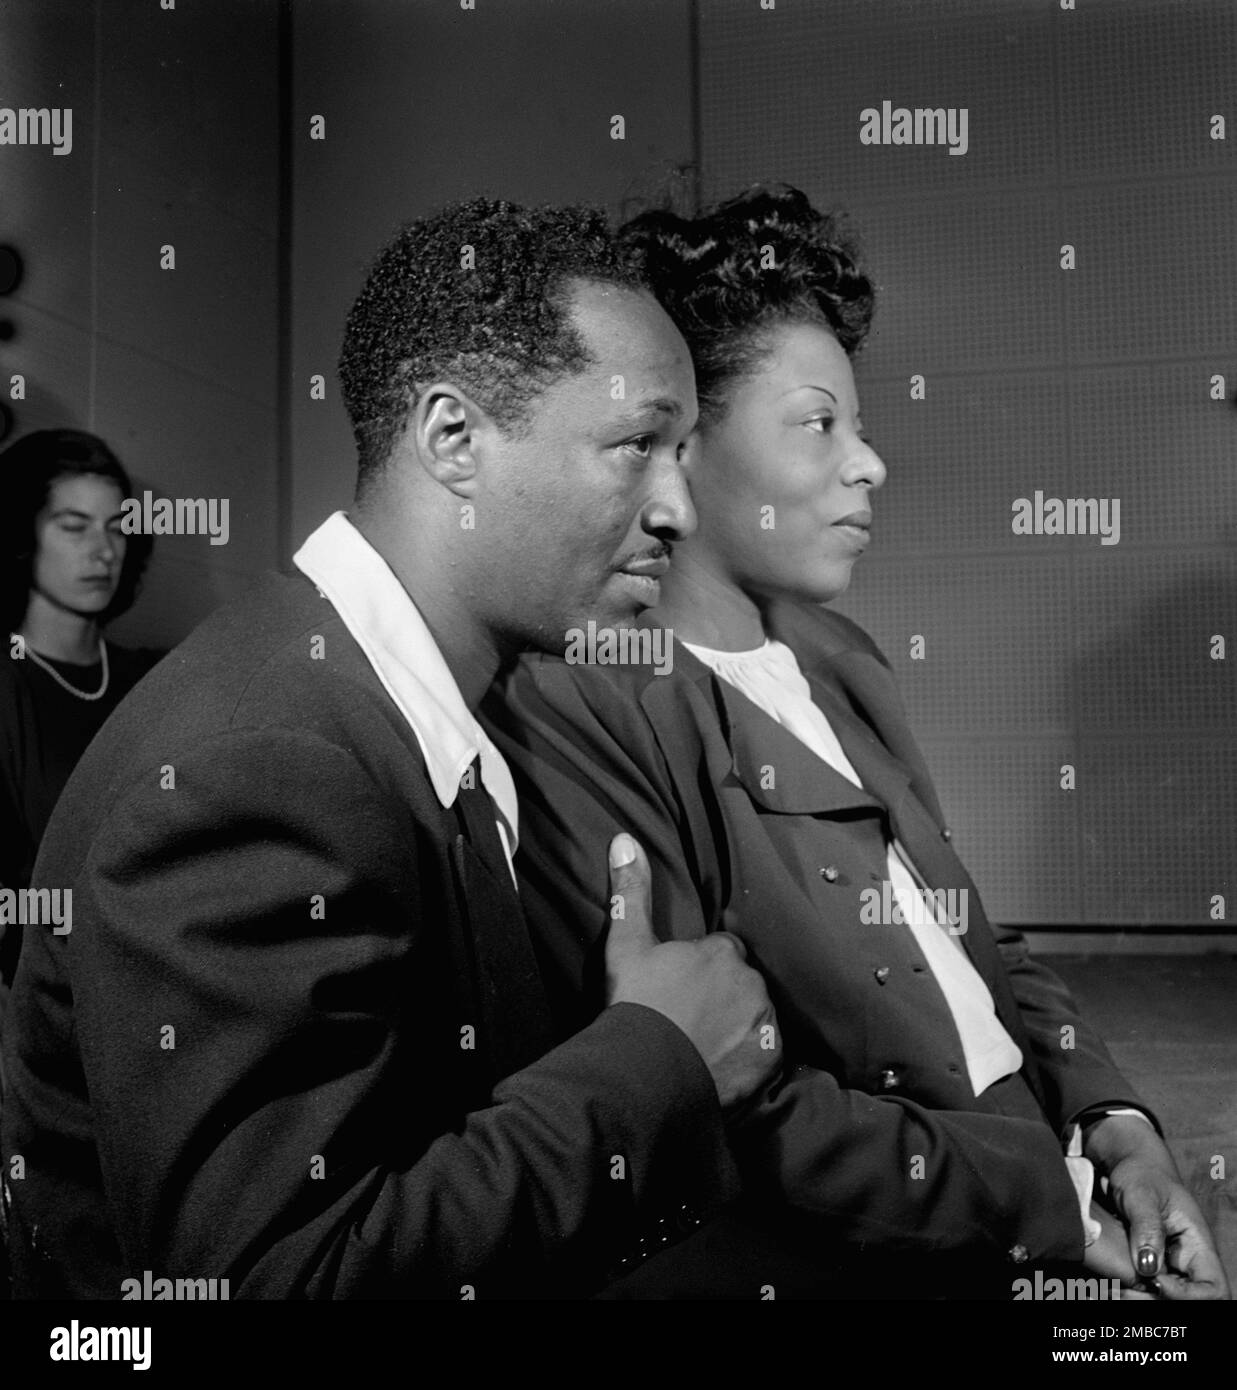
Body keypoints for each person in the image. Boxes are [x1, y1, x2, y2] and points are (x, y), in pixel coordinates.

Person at [0, 199, 780, 1300]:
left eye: (685, 455)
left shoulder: (386, 704)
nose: (679, 510)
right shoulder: (263, 764)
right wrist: (658, 1055)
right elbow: (281, 1278)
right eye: (639, 443)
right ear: (451, 438)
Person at [483, 186, 1230, 1299]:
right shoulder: (579, 703)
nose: (871, 463)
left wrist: (1116, 1123)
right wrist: (1057, 1208)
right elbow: (726, 1098)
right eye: (820, 422)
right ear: (681, 442)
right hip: (902, 1242)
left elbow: (975, 940)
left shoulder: (841, 657)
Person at [0, 430, 157, 991]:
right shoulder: (10, 684)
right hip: (39, 1008)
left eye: (117, 528)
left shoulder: (152, 679)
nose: (103, 551)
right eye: (74, 527)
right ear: (22, 535)